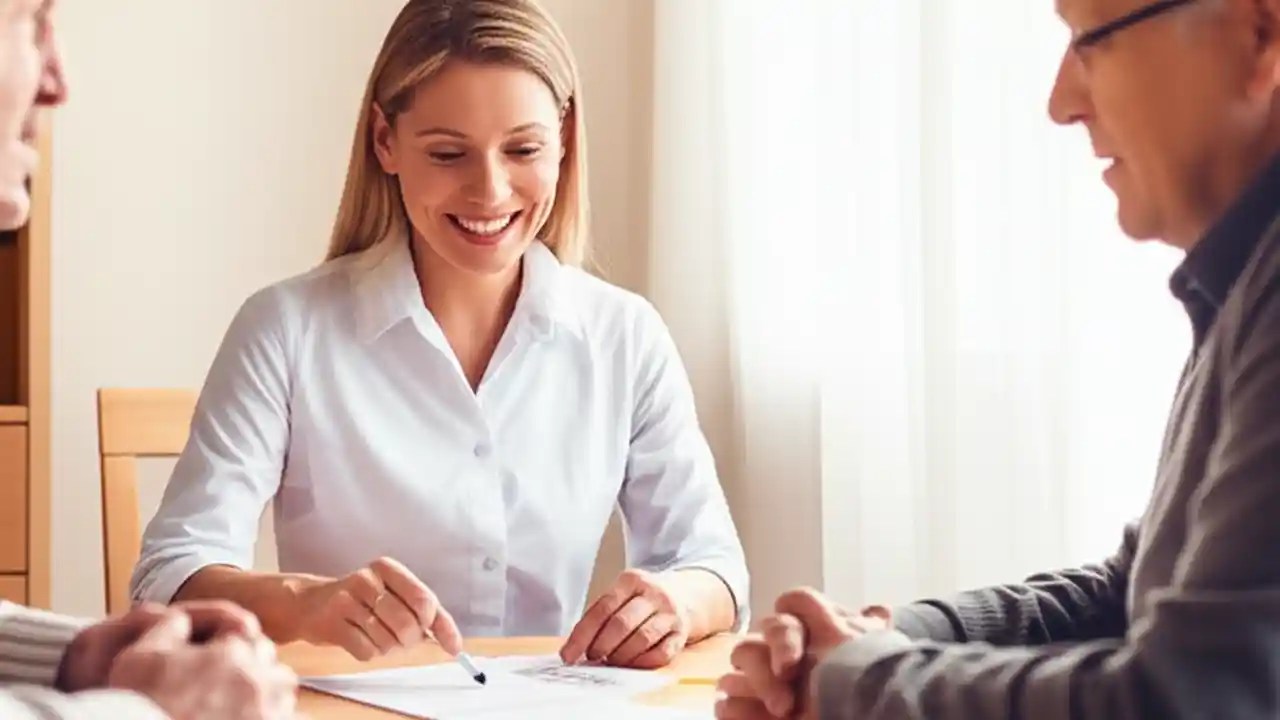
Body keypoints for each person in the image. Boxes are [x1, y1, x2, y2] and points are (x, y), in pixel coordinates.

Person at [131, 0, 748, 670]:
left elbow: (712, 567)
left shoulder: (624, 336)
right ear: (384, 141)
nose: (490, 189)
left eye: (523, 149)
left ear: (565, 138)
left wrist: (675, 603)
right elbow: (169, 578)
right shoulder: (285, 329)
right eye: (449, 153)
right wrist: (305, 604)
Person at [716, 0, 1280, 718]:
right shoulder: (1240, 284)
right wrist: (886, 639)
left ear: (1259, 36)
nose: (1060, 101)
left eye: (1089, 41)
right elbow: (1132, 593)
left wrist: (857, 682)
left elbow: (1192, 699)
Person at [0, 1, 298, 718]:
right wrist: (152, 711)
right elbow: (177, 564)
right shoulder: (285, 323)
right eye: (28, 19)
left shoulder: (620, 333)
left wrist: (75, 655)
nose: (58, 80)